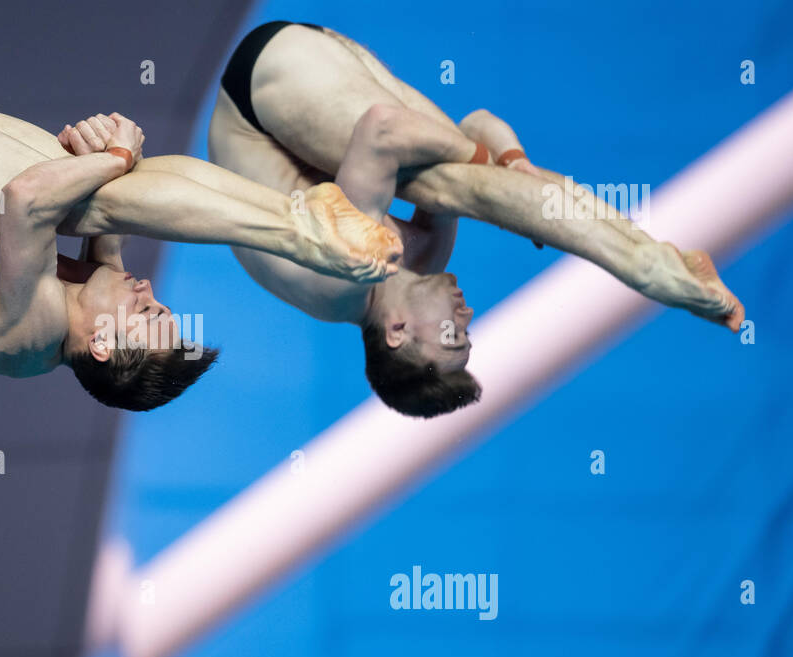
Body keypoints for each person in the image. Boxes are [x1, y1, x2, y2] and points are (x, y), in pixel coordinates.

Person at [208, 21, 744, 417]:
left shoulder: (341, 278)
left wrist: (497, 177)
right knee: (471, 183)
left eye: (451, 335)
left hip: (258, 95)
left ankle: (646, 268)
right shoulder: (425, 258)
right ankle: (651, 253)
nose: (465, 317)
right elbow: (480, 122)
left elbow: (383, 131)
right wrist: (514, 165)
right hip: (322, 58)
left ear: (397, 333)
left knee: (455, 182)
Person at [0, 79, 401, 411]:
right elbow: (106, 234)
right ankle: (298, 217)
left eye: (144, 311)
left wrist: (114, 156)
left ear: (101, 344)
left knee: (96, 195)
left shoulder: (33, 333)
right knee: (110, 192)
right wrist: (107, 152)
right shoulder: (76, 314)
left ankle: (299, 231)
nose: (147, 289)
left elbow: (24, 199)